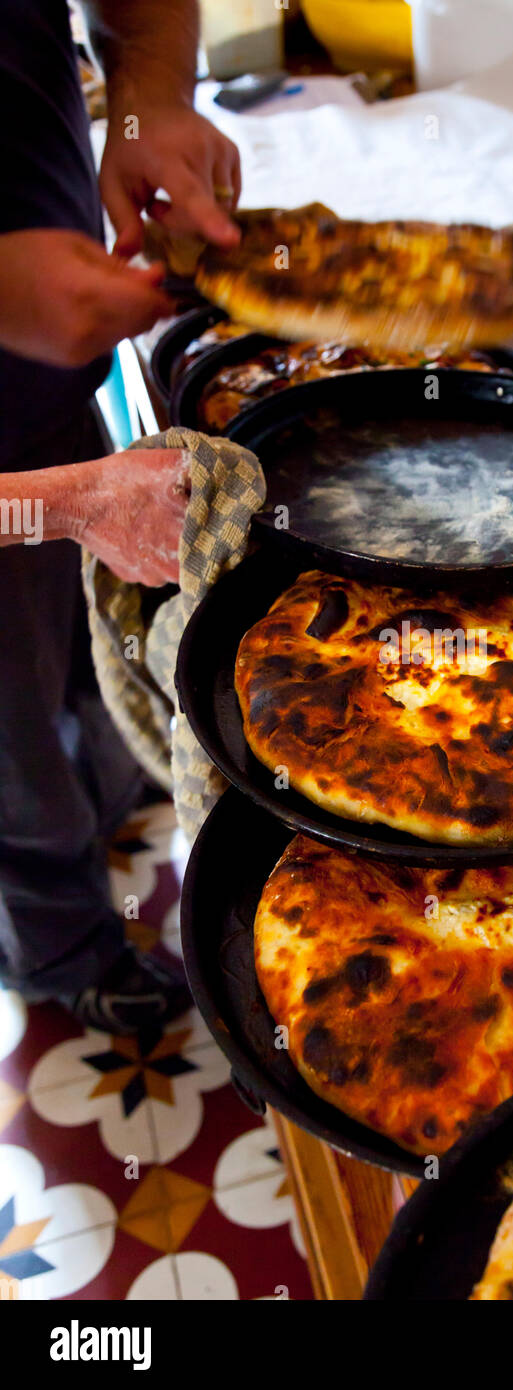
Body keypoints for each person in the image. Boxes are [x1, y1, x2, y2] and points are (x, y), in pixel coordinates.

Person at [0, 0, 241, 1033]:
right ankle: (56, 948)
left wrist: (145, 105)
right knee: (11, 755)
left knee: (66, 667)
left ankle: (95, 788)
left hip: (43, 394)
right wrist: (58, 503)